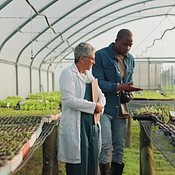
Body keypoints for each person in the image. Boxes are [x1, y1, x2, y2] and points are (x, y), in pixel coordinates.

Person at [92, 29, 143, 175]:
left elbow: (126, 81)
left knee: (119, 146)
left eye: (130, 45)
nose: (127, 48)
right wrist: (120, 87)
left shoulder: (130, 59)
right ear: (116, 40)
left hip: (121, 109)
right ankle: (103, 172)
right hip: (105, 108)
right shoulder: (101, 56)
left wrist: (128, 89)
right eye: (124, 44)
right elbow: (99, 83)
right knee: (106, 144)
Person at [58, 42, 106, 175]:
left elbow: (101, 95)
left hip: (92, 124)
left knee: (92, 160)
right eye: (92, 58)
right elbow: (69, 100)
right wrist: (93, 106)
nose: (94, 62)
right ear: (82, 58)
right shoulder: (68, 74)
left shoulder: (88, 76)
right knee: (78, 165)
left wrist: (101, 104)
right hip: (78, 125)